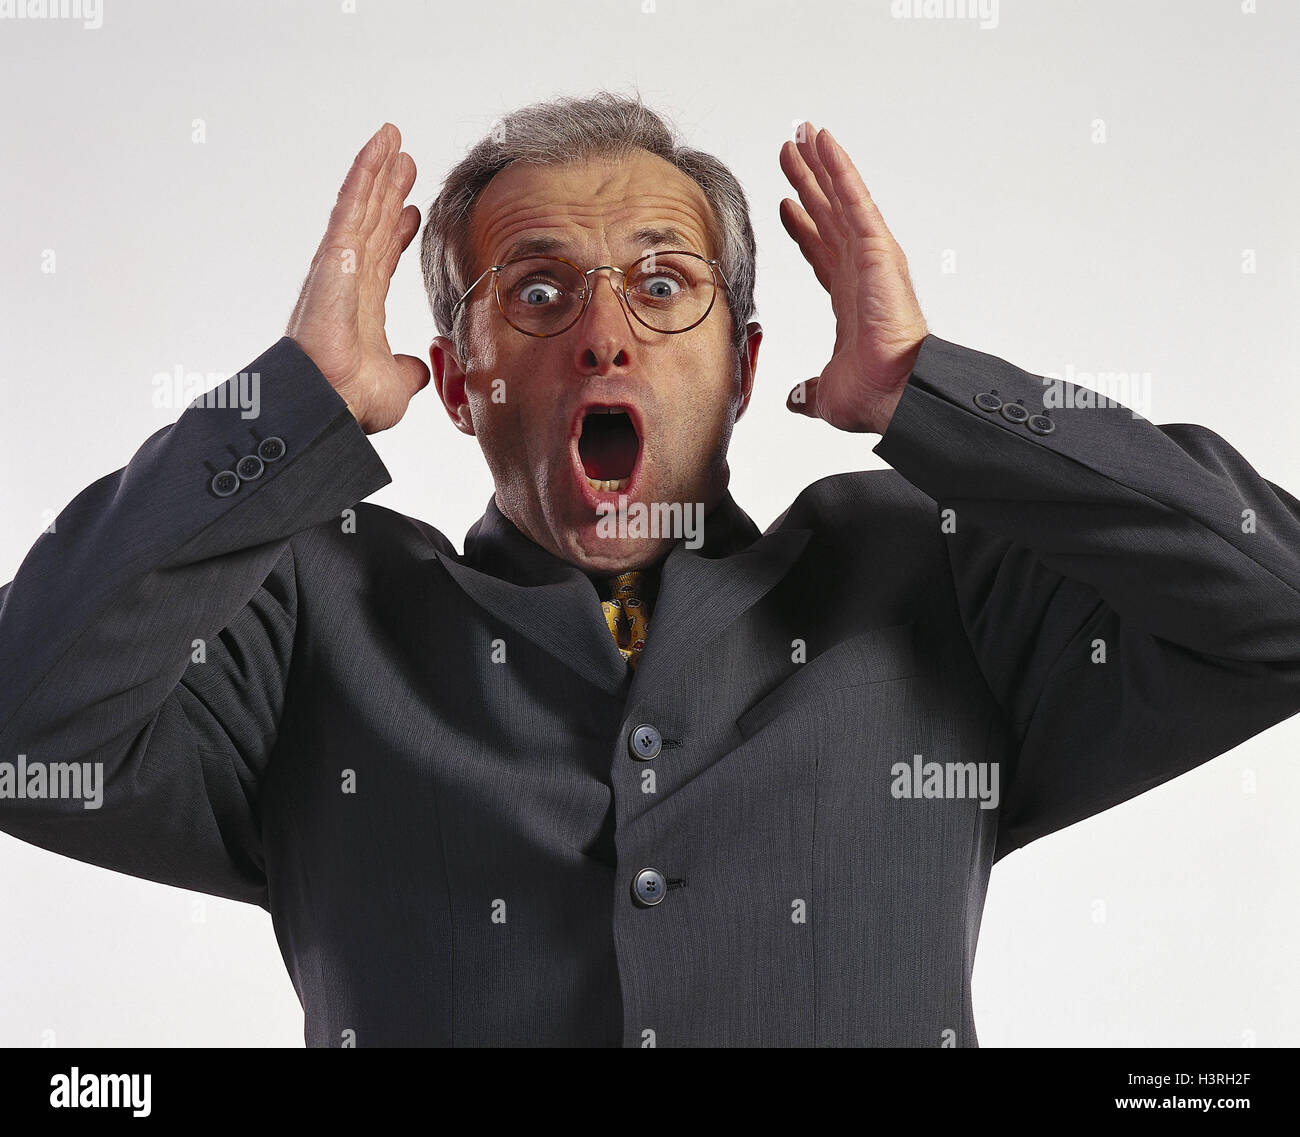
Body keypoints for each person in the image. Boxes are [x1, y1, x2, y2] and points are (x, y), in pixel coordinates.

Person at [2, 92, 1298, 1047]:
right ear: (457, 383)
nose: (606, 335)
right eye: (540, 291)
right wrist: (289, 412)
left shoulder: (925, 573)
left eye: (663, 285)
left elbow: (1276, 605)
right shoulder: (308, 610)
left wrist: (934, 395)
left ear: (740, 365)